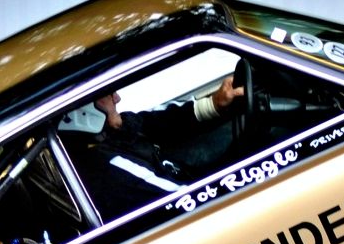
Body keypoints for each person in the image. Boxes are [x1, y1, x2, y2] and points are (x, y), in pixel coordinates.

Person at [60, 70, 245, 220]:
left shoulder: (115, 131)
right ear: (82, 109)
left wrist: (215, 103)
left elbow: (162, 120)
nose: (117, 98)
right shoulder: (106, 166)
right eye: (108, 94)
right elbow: (187, 200)